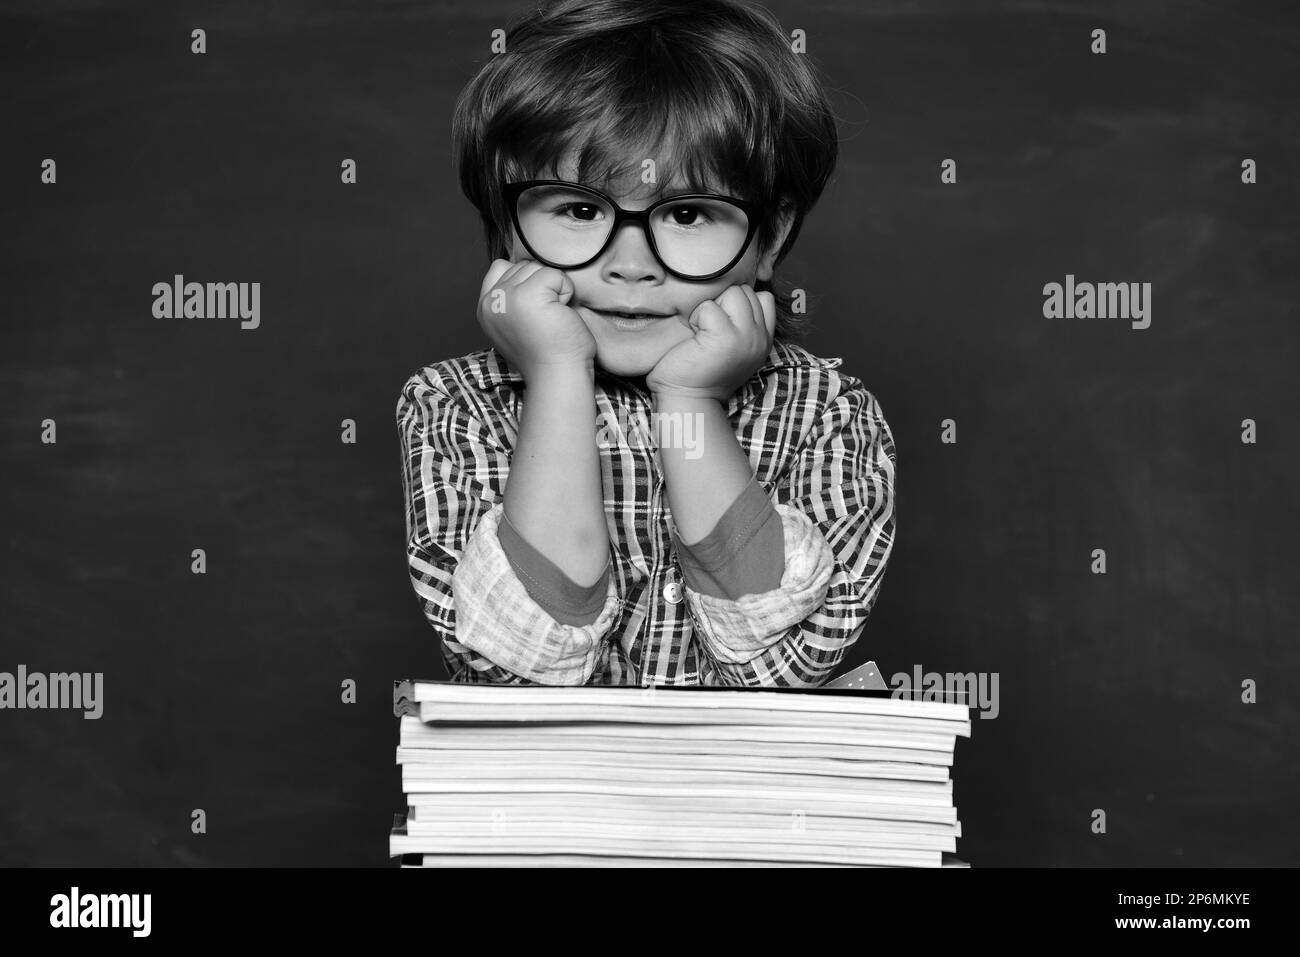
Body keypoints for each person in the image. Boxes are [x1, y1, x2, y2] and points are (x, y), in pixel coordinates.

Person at [396, 0, 896, 686]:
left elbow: (785, 663)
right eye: (578, 209)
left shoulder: (829, 413)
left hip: (754, 793)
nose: (631, 264)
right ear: (507, 221)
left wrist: (690, 401)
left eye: (687, 214)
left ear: (770, 238)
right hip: (544, 795)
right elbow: (517, 670)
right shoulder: (452, 405)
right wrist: (558, 376)